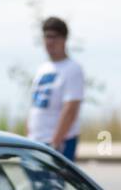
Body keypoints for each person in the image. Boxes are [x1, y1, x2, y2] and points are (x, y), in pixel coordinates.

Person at [27, 17, 85, 160]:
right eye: (46, 37)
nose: (49, 42)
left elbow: (71, 109)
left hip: (57, 144)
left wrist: (55, 143)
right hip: (35, 141)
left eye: (54, 37)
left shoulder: (72, 69)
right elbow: (34, 105)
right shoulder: (43, 68)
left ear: (64, 39)